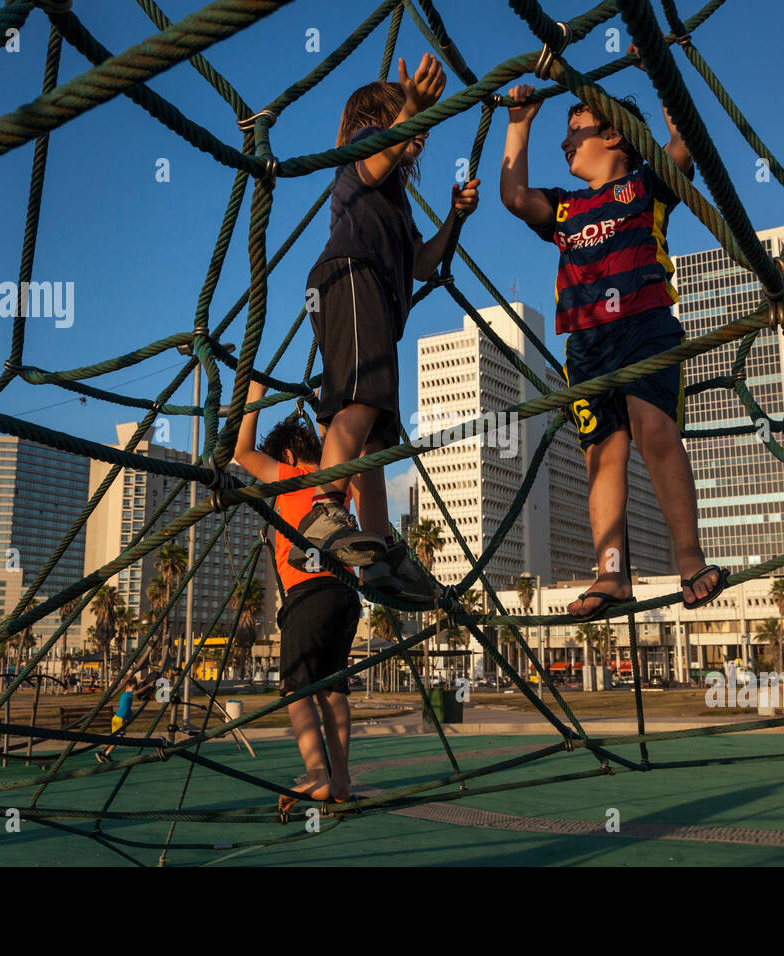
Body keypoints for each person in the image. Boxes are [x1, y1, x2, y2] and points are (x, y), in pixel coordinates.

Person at [498, 63, 729, 620]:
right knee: (603, 454)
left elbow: (682, 146)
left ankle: (689, 557)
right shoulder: (564, 207)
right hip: (586, 343)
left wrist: (657, 69)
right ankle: (612, 572)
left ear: (614, 136)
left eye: (574, 128)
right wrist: (519, 123)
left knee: (654, 430)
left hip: (643, 323)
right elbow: (512, 196)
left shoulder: (645, 184)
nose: (565, 141)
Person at [288, 53, 480, 599]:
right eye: (409, 120)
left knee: (374, 434)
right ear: (380, 117)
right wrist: (412, 108)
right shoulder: (367, 147)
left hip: (371, 293)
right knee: (358, 401)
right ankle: (326, 510)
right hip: (351, 277)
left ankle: (375, 557)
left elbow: (422, 263)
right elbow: (377, 159)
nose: (419, 134)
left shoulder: (395, 200)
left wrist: (454, 219)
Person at [235, 379, 364, 811]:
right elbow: (344, 445)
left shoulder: (289, 476)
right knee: (333, 687)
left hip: (306, 593)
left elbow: (242, 452)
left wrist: (254, 392)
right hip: (346, 592)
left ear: (287, 455)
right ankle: (341, 777)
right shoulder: (337, 482)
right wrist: (321, 409)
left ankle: (316, 777)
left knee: (297, 690)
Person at [97, 677, 135, 763]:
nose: (133, 690)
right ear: (127, 687)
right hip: (119, 719)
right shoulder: (128, 694)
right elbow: (138, 692)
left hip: (117, 718)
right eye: (133, 688)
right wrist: (148, 685)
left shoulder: (125, 695)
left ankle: (102, 752)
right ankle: (106, 754)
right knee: (117, 739)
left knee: (113, 737)